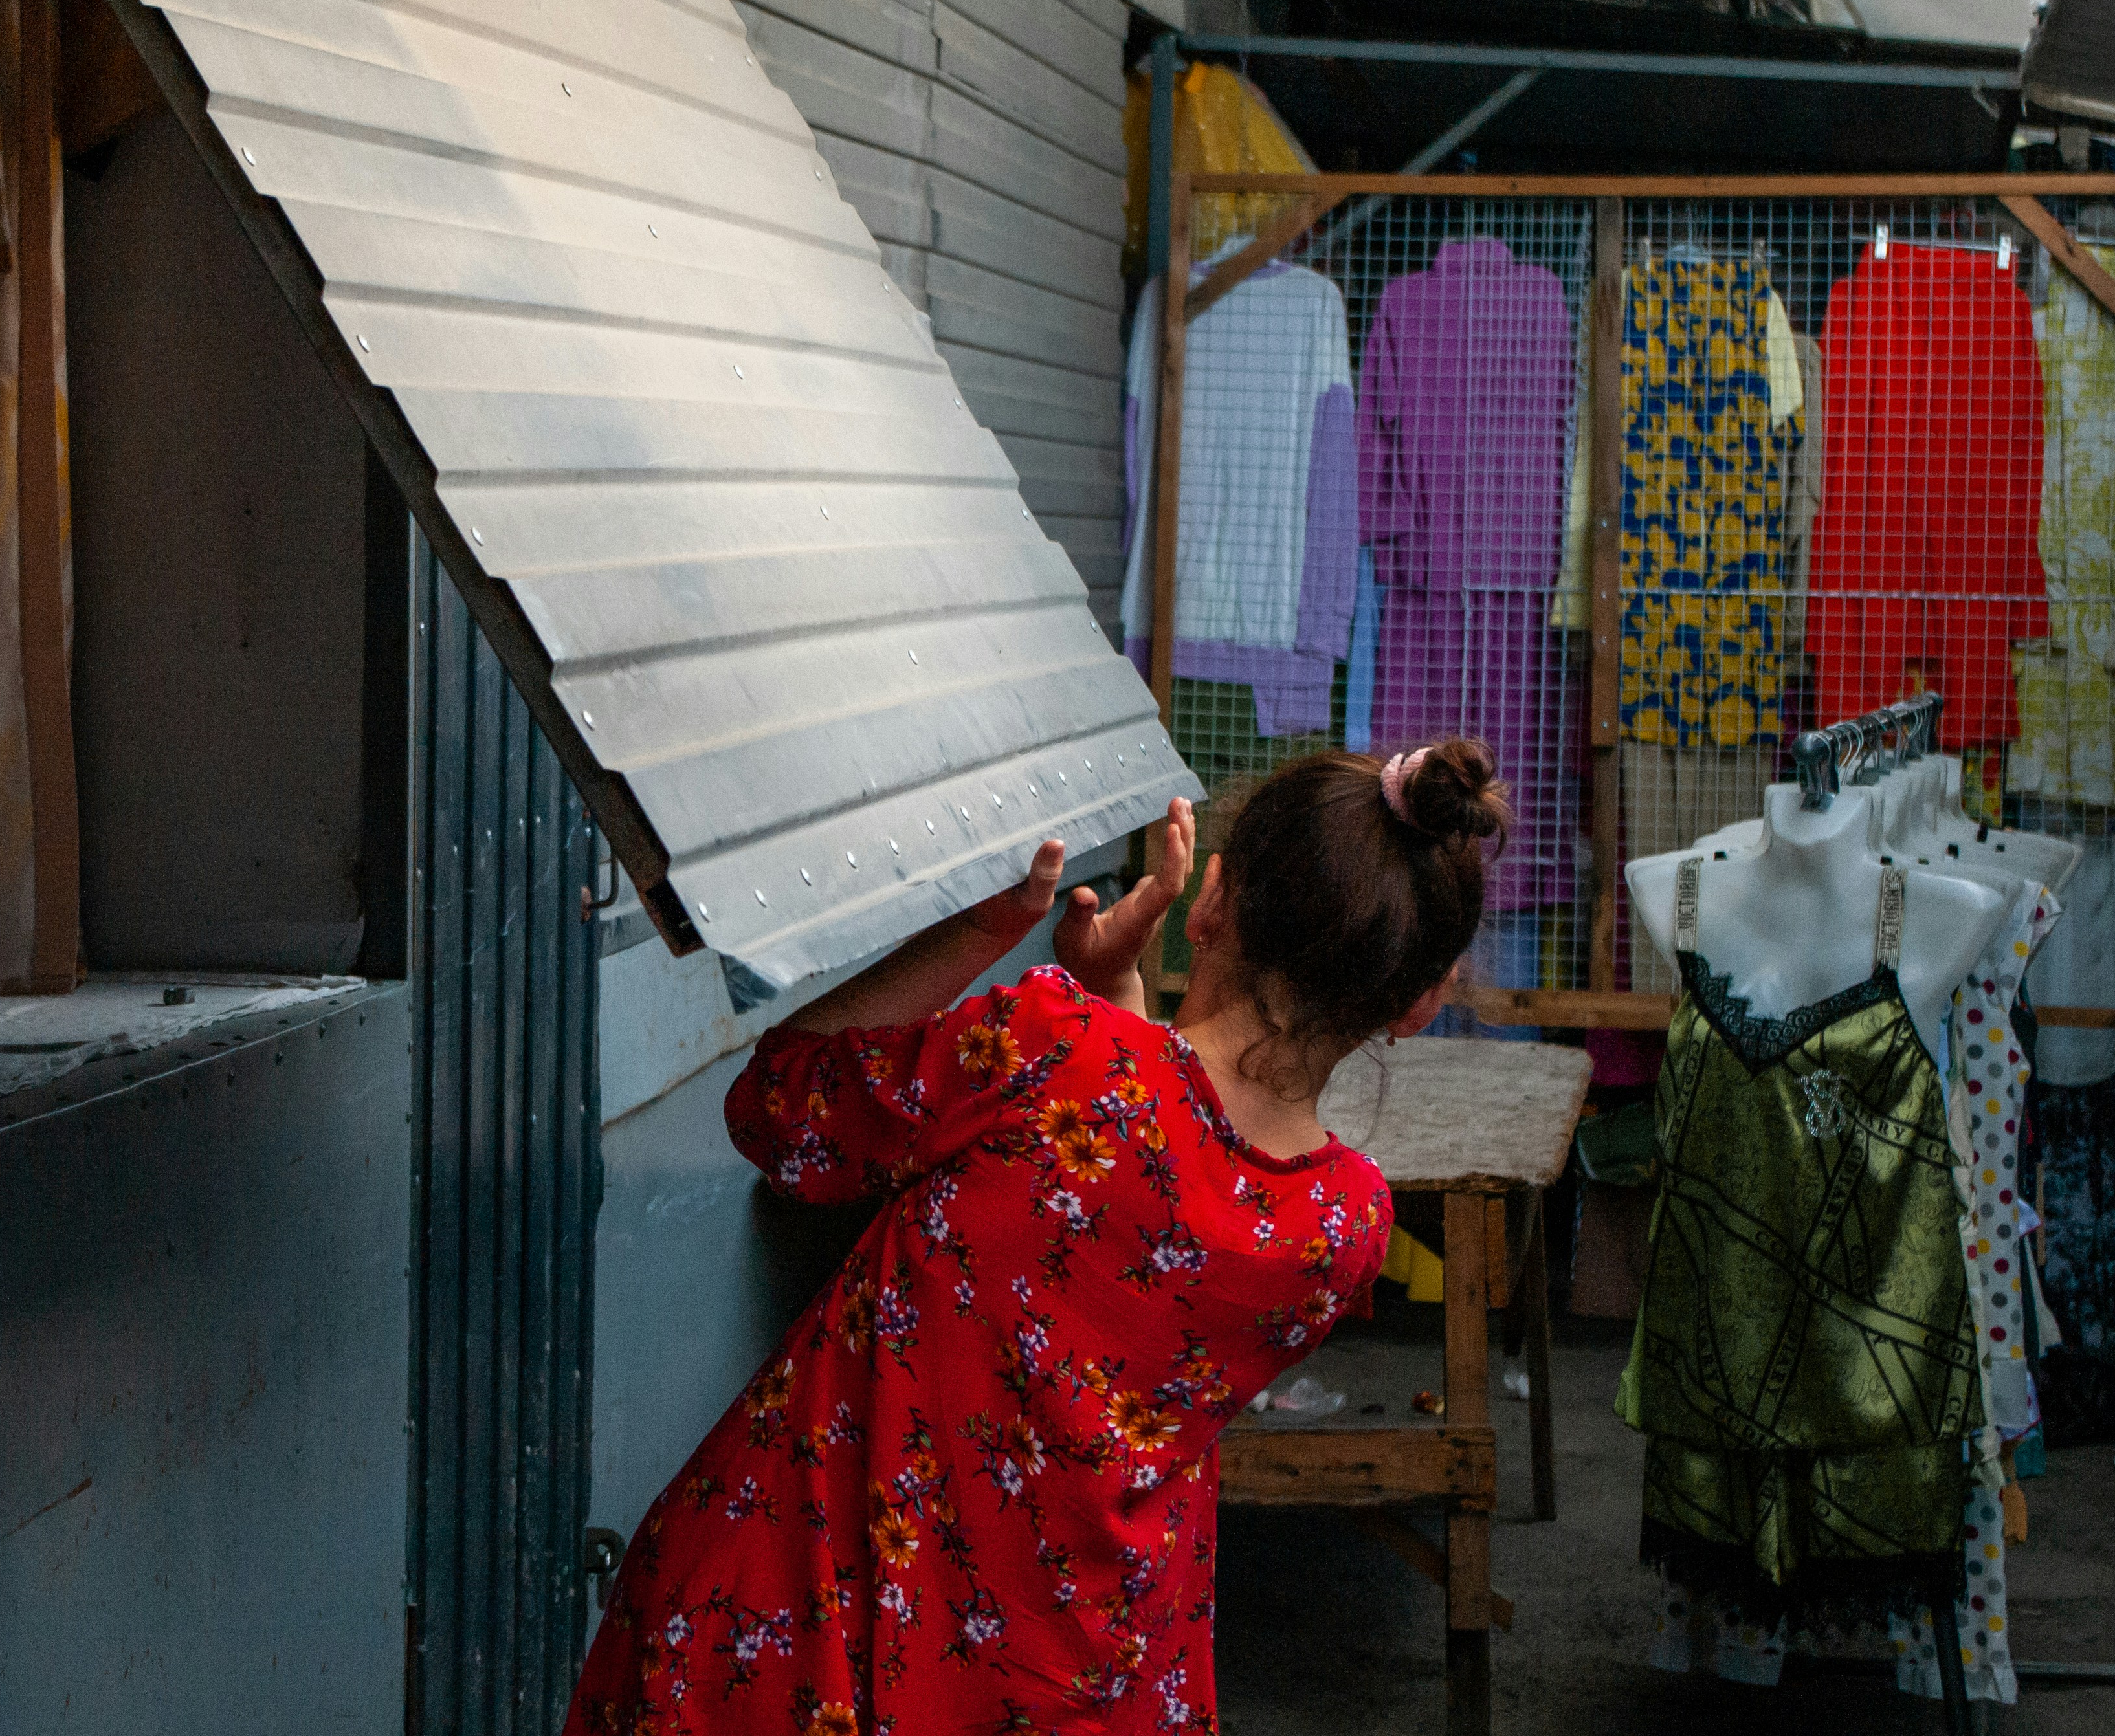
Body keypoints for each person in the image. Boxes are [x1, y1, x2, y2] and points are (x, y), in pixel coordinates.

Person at [565, 740, 1511, 1735]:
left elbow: (780, 1108)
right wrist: (1121, 1012)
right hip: (1053, 1685)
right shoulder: (1347, 1227)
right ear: (1419, 1001)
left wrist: (988, 927)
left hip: (791, 1637)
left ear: (1213, 901)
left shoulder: (1059, 1049)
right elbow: (1159, 1210)